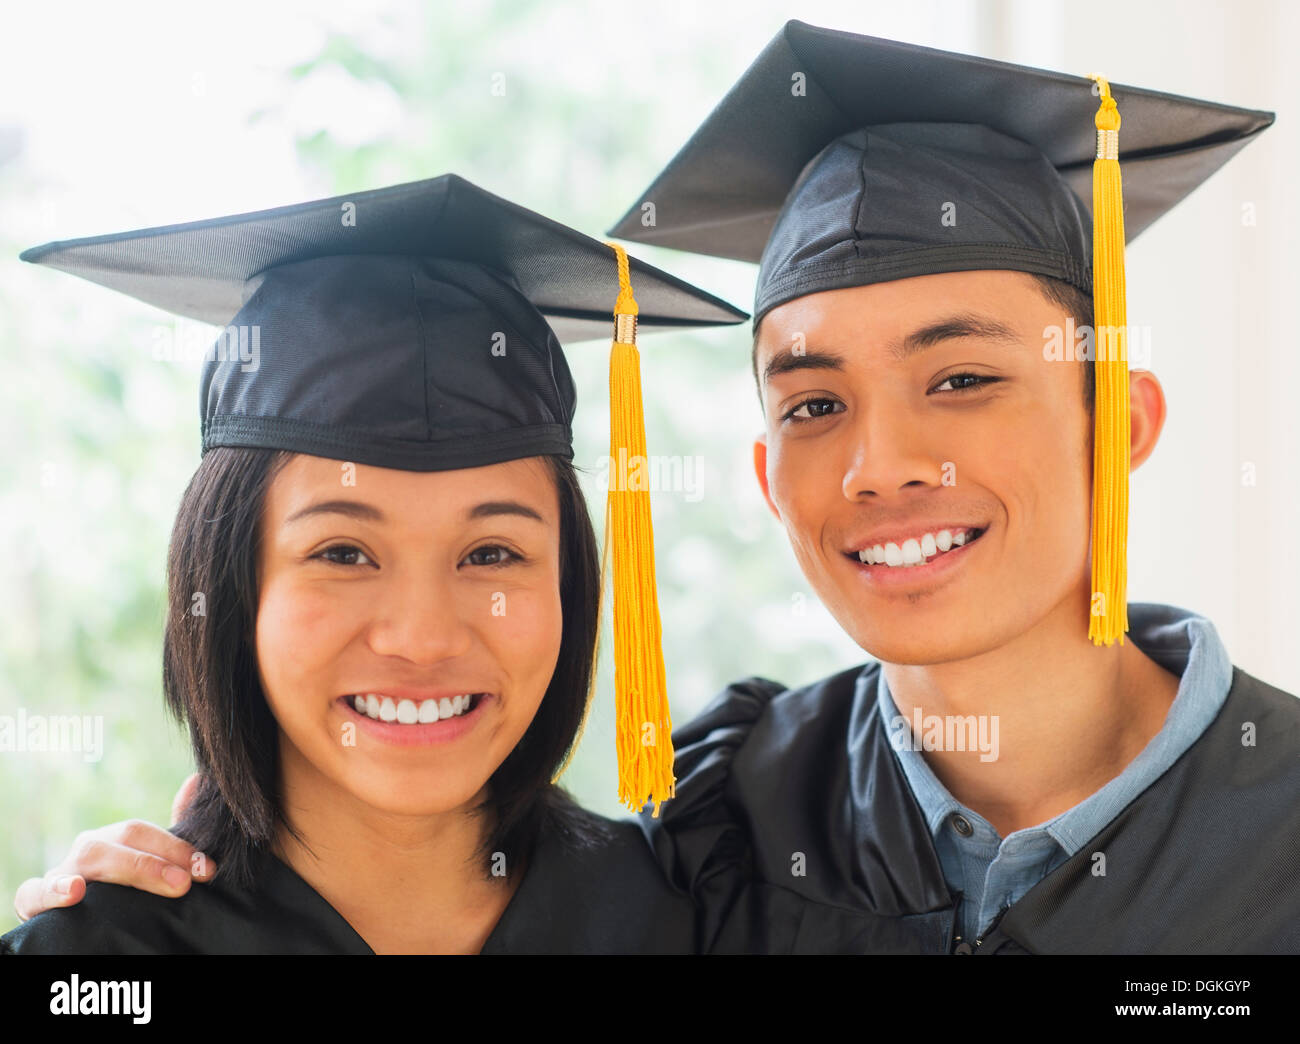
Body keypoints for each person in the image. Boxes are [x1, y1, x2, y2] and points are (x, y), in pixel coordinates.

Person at [603, 23, 1299, 953]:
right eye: (813, 404)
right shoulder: (726, 823)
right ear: (768, 478)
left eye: (962, 380)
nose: (879, 465)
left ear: (1119, 426)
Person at [1, 173, 745, 954]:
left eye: (491, 553)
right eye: (343, 553)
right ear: (228, 586)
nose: (422, 639)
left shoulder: (683, 924)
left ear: (570, 581)